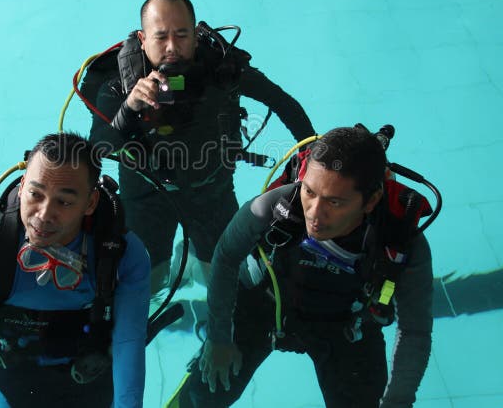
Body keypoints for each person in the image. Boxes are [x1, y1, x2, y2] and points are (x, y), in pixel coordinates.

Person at [172, 126, 434, 408]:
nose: (314, 214)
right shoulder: (276, 204)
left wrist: (398, 399)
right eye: (310, 191)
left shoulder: (402, 241)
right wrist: (218, 337)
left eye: (334, 202)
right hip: (264, 306)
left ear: (370, 201)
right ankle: (192, 270)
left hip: (344, 326)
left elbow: (414, 329)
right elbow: (226, 256)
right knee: (206, 395)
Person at [88, 0, 315, 301]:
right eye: (161, 36)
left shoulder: (221, 72)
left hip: (212, 190)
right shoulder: (119, 86)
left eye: (181, 35)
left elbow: (283, 102)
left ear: (195, 36)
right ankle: (179, 268)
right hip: (145, 196)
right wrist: (129, 108)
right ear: (142, 39)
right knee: (148, 284)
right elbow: (96, 149)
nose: (172, 47)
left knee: (223, 282)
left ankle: (193, 267)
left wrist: (312, 157)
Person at [0, 133, 151, 408]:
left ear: (90, 203)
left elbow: (128, 343)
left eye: (64, 201)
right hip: (11, 380)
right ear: (23, 185)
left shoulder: (122, 256)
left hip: (93, 379)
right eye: (36, 194)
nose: (44, 214)